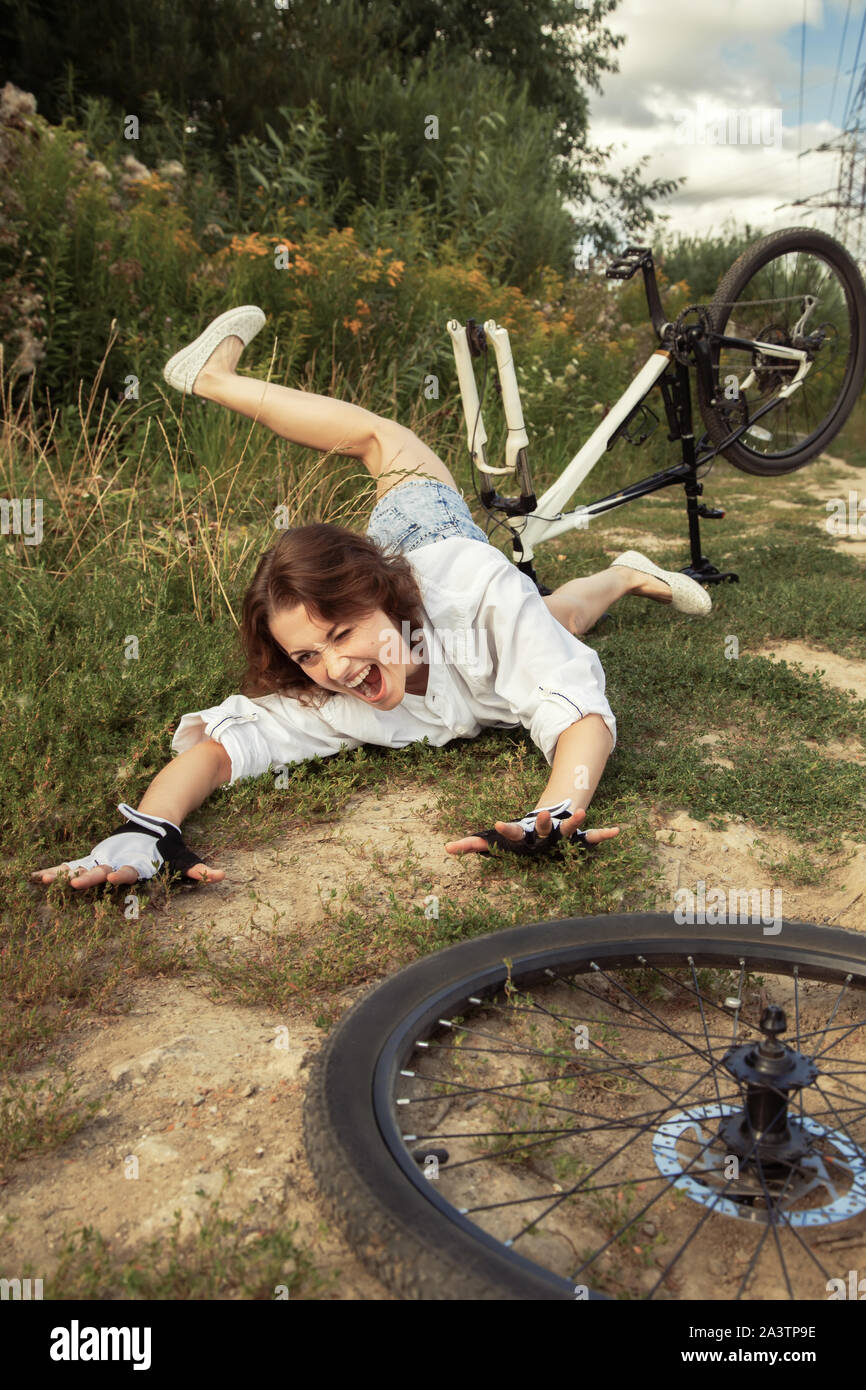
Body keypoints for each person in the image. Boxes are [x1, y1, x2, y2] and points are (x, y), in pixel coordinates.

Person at [32, 307, 711, 891]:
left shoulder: (477, 595)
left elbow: (579, 711)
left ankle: (215, 378)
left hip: (425, 533)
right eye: (307, 653)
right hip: (439, 615)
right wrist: (149, 833)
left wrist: (558, 812)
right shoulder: (331, 692)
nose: (332, 667)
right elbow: (222, 748)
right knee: (550, 626)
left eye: (342, 633)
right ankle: (622, 574)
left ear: (384, 597)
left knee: (381, 440)